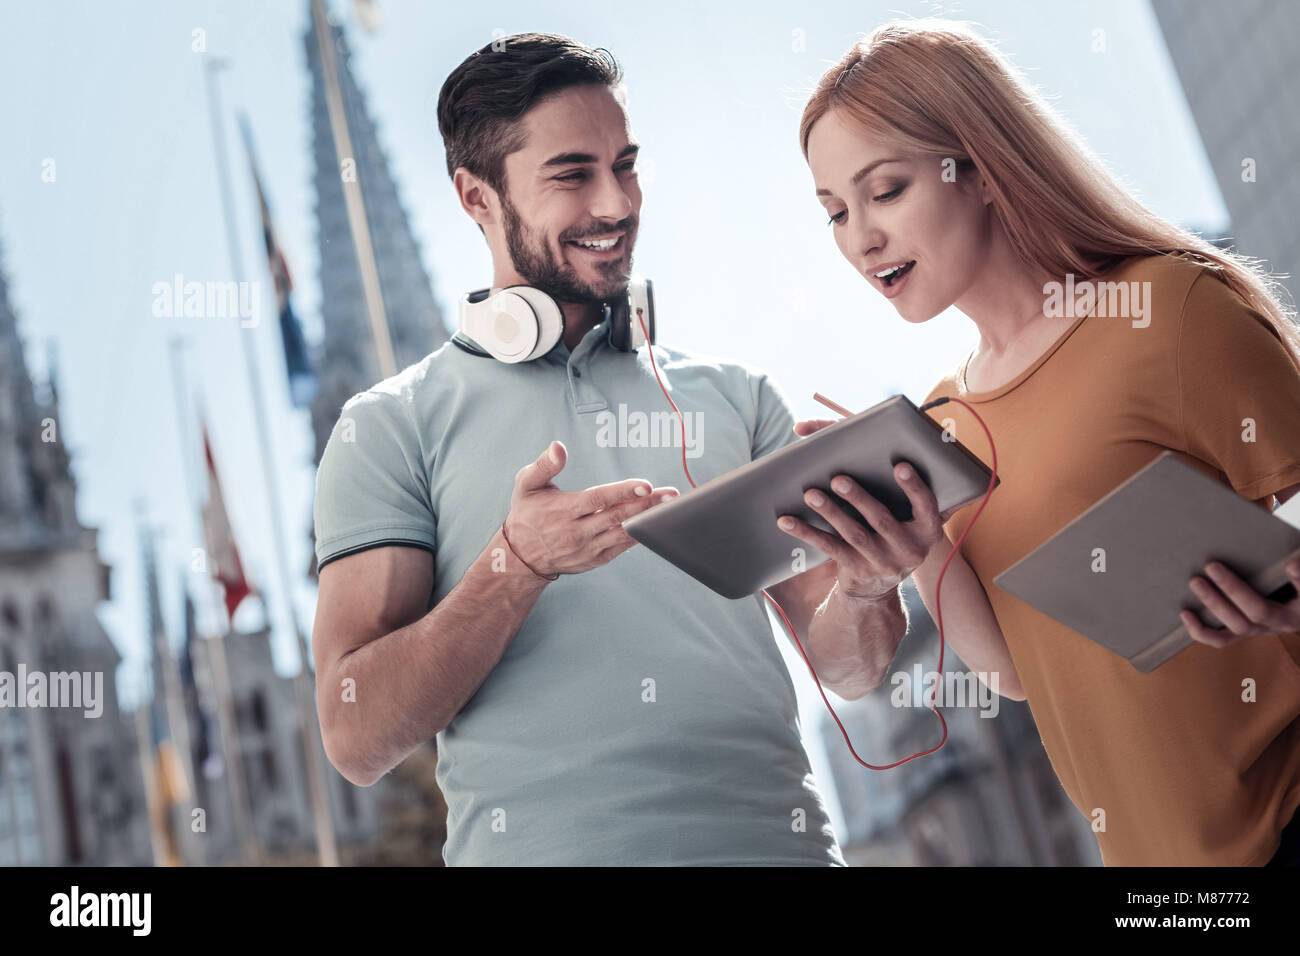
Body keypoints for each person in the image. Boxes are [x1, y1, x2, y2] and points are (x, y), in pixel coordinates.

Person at [310, 32, 948, 866]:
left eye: (627, 164)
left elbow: (852, 670)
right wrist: (515, 565)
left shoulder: (737, 395)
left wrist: (868, 586)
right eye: (573, 174)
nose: (615, 204)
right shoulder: (387, 426)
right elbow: (355, 737)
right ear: (477, 198)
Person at [795, 18, 1300, 866]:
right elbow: (1019, 673)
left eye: (885, 192)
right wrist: (910, 535)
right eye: (836, 213)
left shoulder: (1168, 307)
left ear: (982, 166)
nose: (860, 239)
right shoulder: (941, 427)